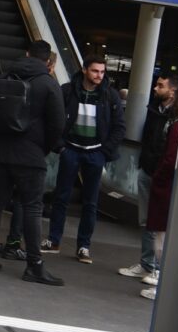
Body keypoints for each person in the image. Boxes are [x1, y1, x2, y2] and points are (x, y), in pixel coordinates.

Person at [0, 42, 67, 285]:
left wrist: (0, 133)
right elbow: (58, 123)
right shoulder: (48, 84)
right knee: (32, 207)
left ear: (27, 54)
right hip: (30, 155)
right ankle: (34, 264)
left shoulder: (4, 76)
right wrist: (42, 147)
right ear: (48, 61)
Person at [46, 55, 125, 262]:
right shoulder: (68, 91)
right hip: (70, 149)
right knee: (61, 197)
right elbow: (52, 118)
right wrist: (60, 147)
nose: (99, 75)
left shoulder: (110, 95)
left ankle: (83, 246)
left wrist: (104, 152)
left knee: (91, 202)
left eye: (102, 71)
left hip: (95, 153)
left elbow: (119, 127)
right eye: (95, 71)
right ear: (84, 70)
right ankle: (54, 241)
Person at [121, 71, 178, 281]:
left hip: (163, 175)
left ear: (172, 90)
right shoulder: (155, 109)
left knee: (160, 223)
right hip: (149, 169)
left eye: (160, 85)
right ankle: (148, 264)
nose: (155, 88)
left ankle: (157, 268)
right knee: (147, 220)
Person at [140, 81, 178, 299]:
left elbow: (170, 159)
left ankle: (160, 279)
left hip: (166, 185)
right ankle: (158, 274)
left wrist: (158, 176)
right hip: (174, 185)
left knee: (162, 237)